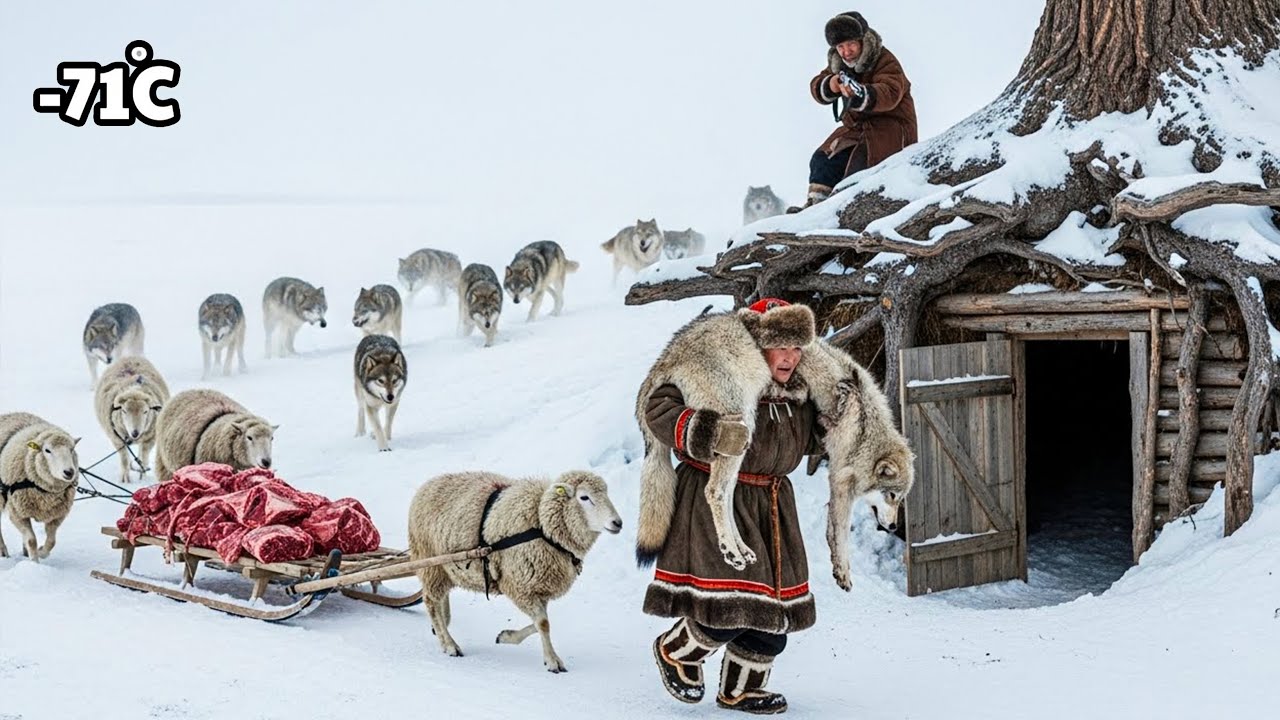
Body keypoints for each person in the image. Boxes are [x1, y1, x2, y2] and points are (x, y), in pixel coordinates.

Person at [641, 298, 825, 715]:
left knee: (772, 616)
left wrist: (839, 425)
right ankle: (677, 651)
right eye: (780, 346)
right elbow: (658, 408)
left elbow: (809, 438)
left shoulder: (799, 390)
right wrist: (707, 432)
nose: (789, 357)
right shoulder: (714, 372)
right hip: (716, 499)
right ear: (755, 345)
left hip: (774, 505)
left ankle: (741, 689)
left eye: (797, 347)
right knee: (727, 607)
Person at [792, 11, 919, 212]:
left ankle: (838, 212)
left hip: (890, 130)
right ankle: (815, 208)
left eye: (850, 44)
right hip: (857, 129)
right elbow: (817, 85)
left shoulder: (885, 60)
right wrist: (831, 85)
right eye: (840, 47)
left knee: (856, 165)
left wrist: (860, 94)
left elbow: (891, 92)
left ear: (862, 40)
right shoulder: (839, 64)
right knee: (822, 159)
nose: (846, 51)